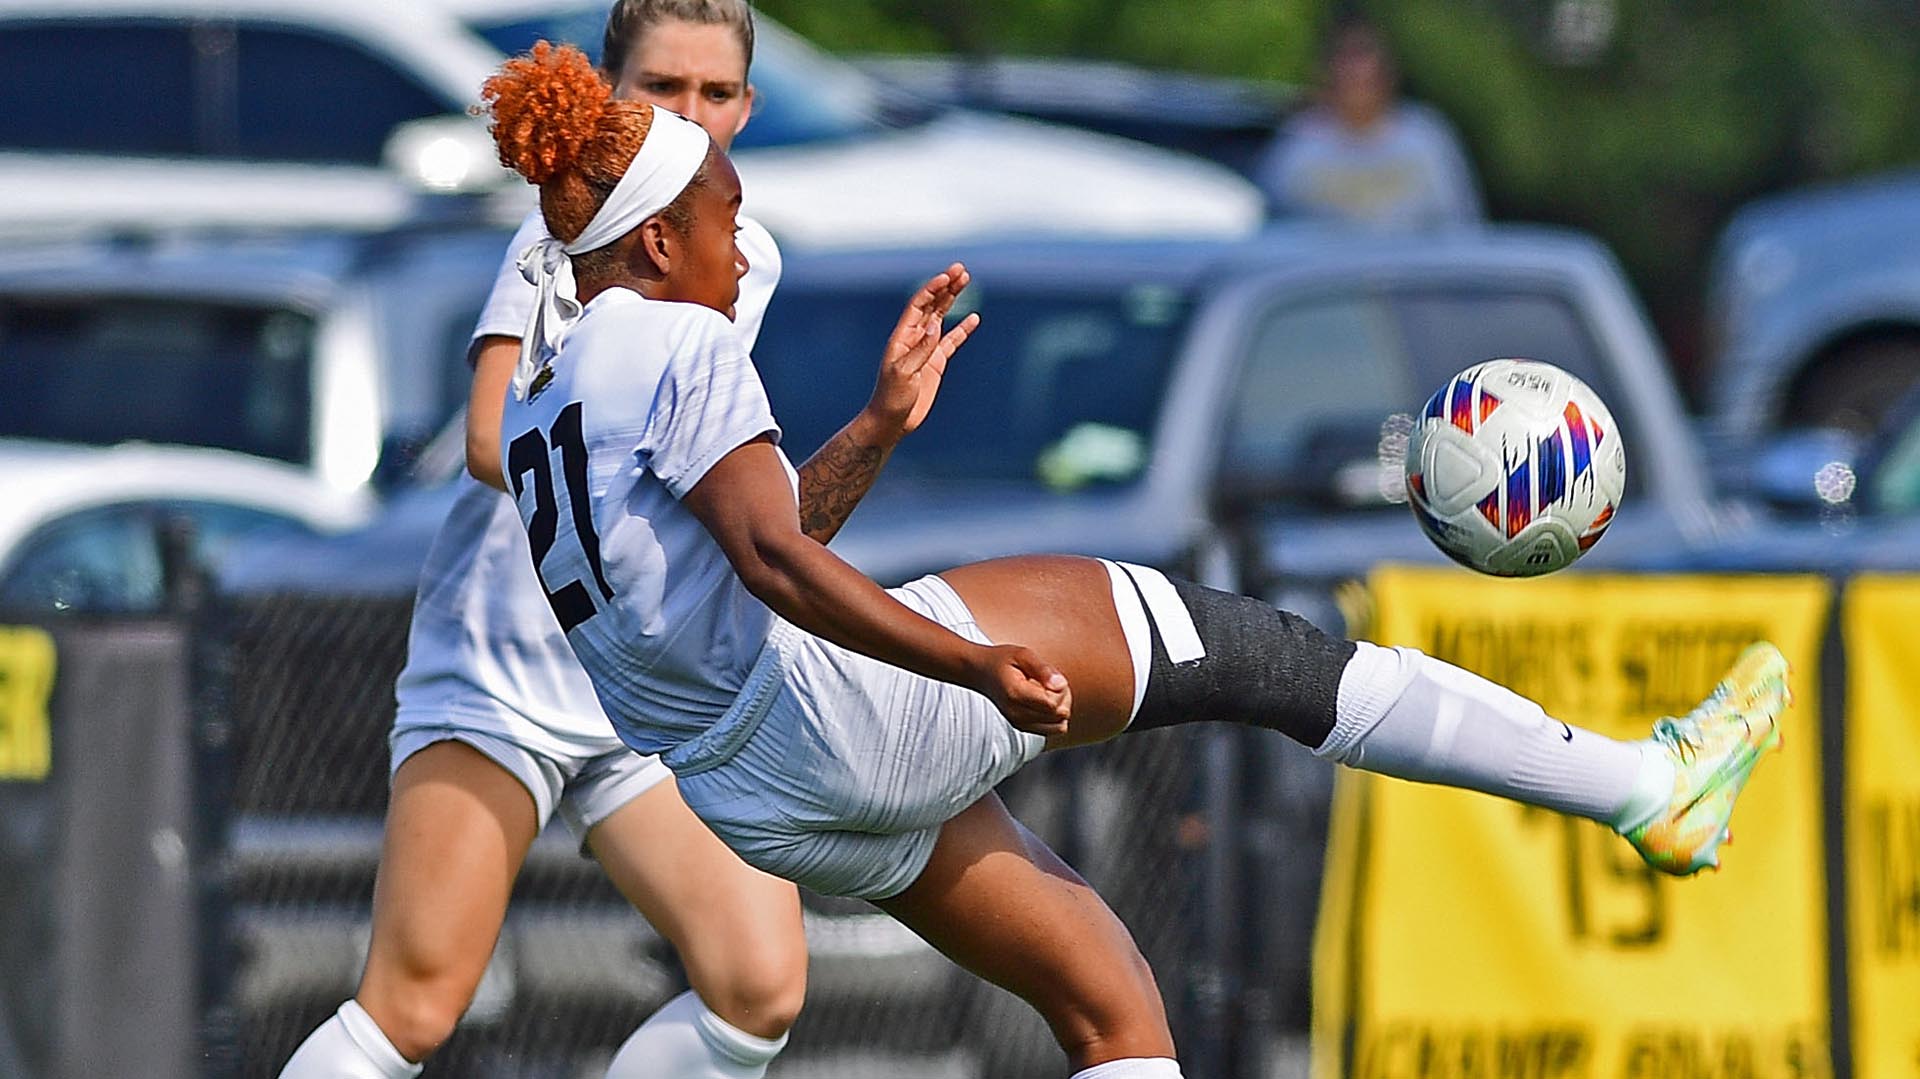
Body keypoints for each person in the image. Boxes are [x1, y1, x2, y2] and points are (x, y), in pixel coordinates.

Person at [484, 42, 1788, 1079]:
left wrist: (876, 426)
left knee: (1114, 1007)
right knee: (1262, 654)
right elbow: (773, 558)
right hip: (824, 715)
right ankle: (1642, 783)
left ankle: (1647, 788)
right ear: (655, 241)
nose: (737, 240)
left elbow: (745, 550)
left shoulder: (554, 391)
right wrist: (974, 660)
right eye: (725, 214)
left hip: (744, 792)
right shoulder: (675, 337)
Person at [276, 4, 965, 1077]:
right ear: (606, 91)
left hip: (639, 688)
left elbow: (757, 522)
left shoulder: (739, 254)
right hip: (503, 665)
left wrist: (870, 430)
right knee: (411, 1007)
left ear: (750, 105)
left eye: (716, 91)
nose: (690, 112)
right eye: (661, 86)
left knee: (757, 984)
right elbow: (488, 433)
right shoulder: (578, 229)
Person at [1254, 16, 1482, 230]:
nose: (1356, 69)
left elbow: (1460, 224)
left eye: (1364, 54)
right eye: (1346, 58)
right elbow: (1270, 226)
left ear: (1388, 70)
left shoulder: (1425, 138)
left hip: (1411, 270)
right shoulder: (1297, 143)